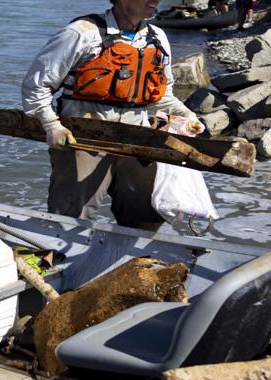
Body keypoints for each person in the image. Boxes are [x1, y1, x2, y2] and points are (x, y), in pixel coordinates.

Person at [21, 0, 204, 230]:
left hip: (138, 136)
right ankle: (60, 257)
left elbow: (161, 96)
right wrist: (51, 125)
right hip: (83, 138)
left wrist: (186, 114)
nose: (157, 1)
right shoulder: (81, 33)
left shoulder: (157, 38)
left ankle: (135, 262)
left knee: (144, 214)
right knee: (71, 216)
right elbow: (36, 86)